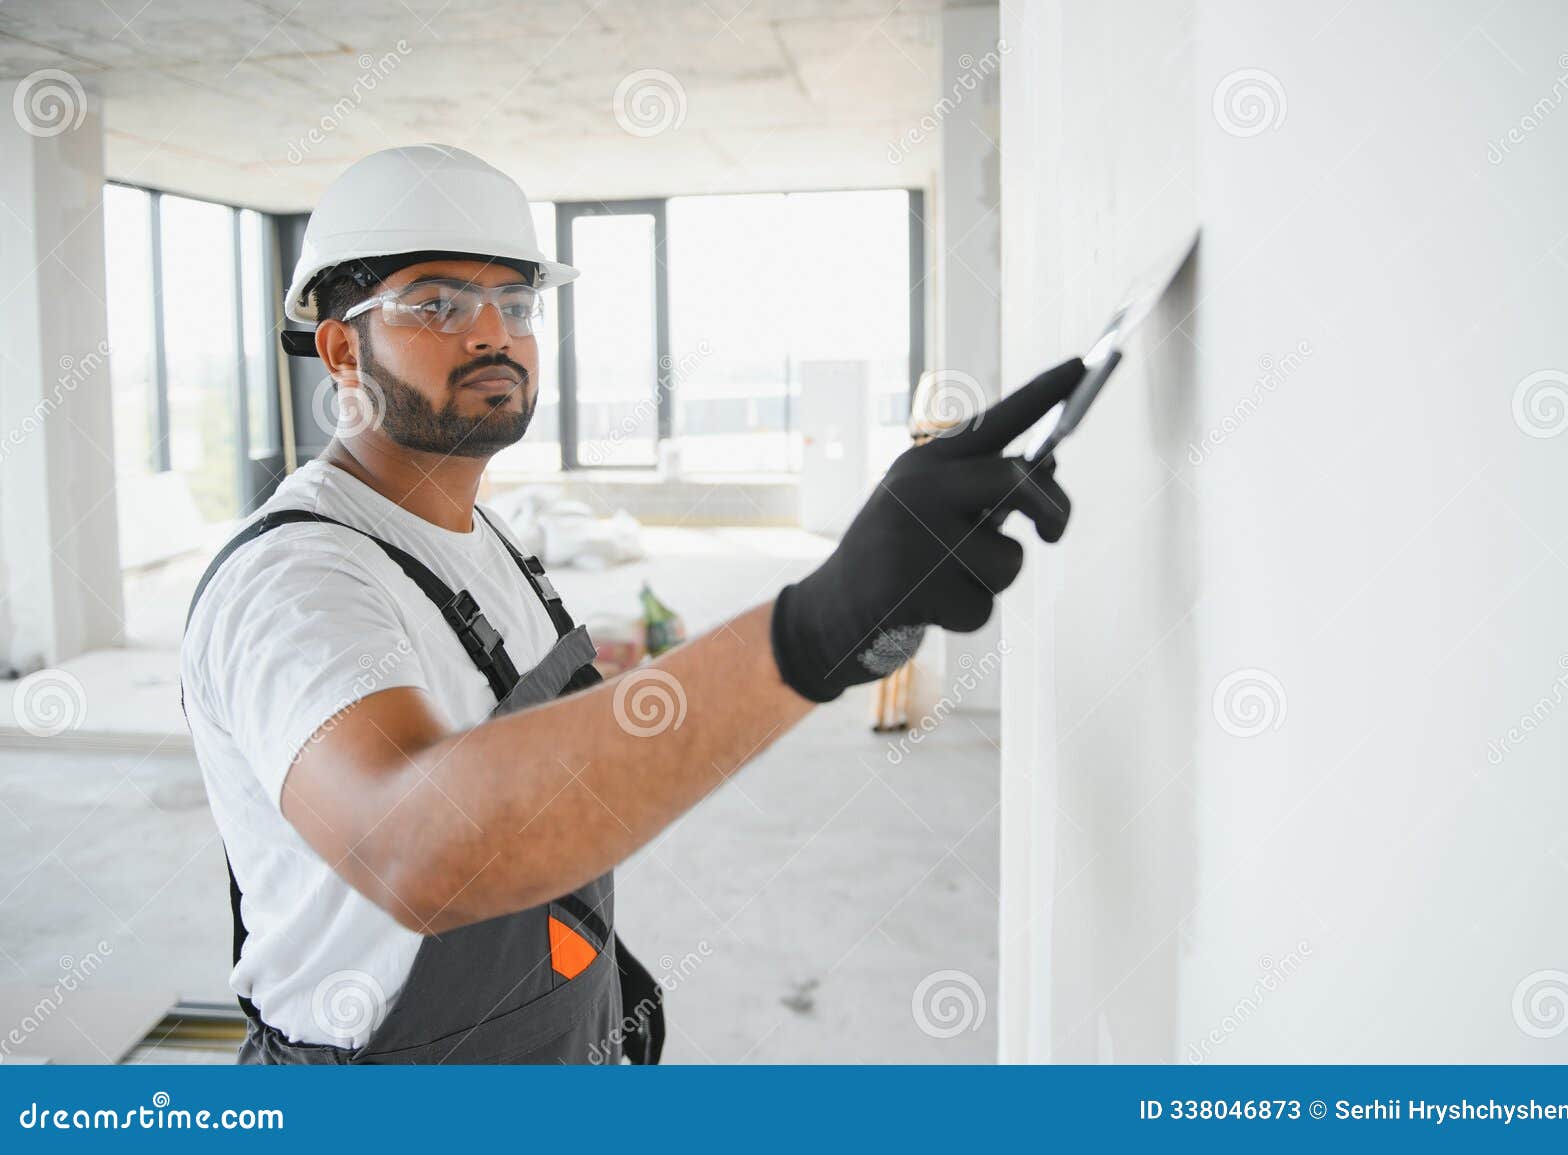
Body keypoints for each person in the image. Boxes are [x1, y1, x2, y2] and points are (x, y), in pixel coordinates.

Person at [180, 144, 1082, 1065]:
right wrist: (809, 628)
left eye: (517, 303)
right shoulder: (295, 581)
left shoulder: (484, 537)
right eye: (439, 304)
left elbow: (538, 752)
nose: (492, 333)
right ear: (340, 347)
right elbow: (415, 847)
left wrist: (869, 623)